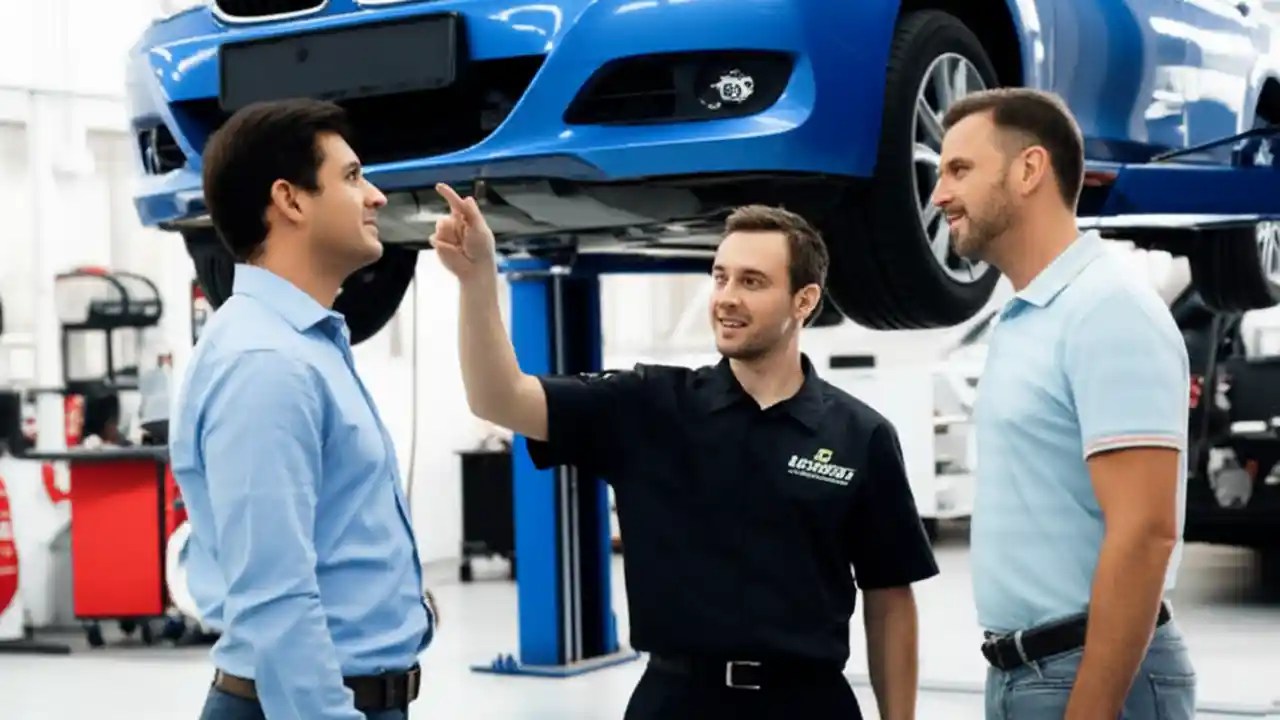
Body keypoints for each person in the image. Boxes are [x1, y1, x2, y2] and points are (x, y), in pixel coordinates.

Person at [431, 183, 939, 720]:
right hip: (676, 702)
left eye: (752, 281)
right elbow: (500, 397)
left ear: (804, 301)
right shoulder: (649, 405)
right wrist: (476, 279)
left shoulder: (860, 435)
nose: (726, 297)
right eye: (720, 277)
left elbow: (888, 599)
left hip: (809, 704)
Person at [930, 87, 1196, 719]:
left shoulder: (1108, 310)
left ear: (1029, 170)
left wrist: (1091, 709)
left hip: (1089, 675)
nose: (939, 195)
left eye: (959, 170)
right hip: (1027, 674)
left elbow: (1146, 532)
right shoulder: (1028, 315)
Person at [169, 98, 435, 720]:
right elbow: (275, 594)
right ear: (290, 200)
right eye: (351, 177)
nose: (376, 197)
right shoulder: (267, 362)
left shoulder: (301, 343)